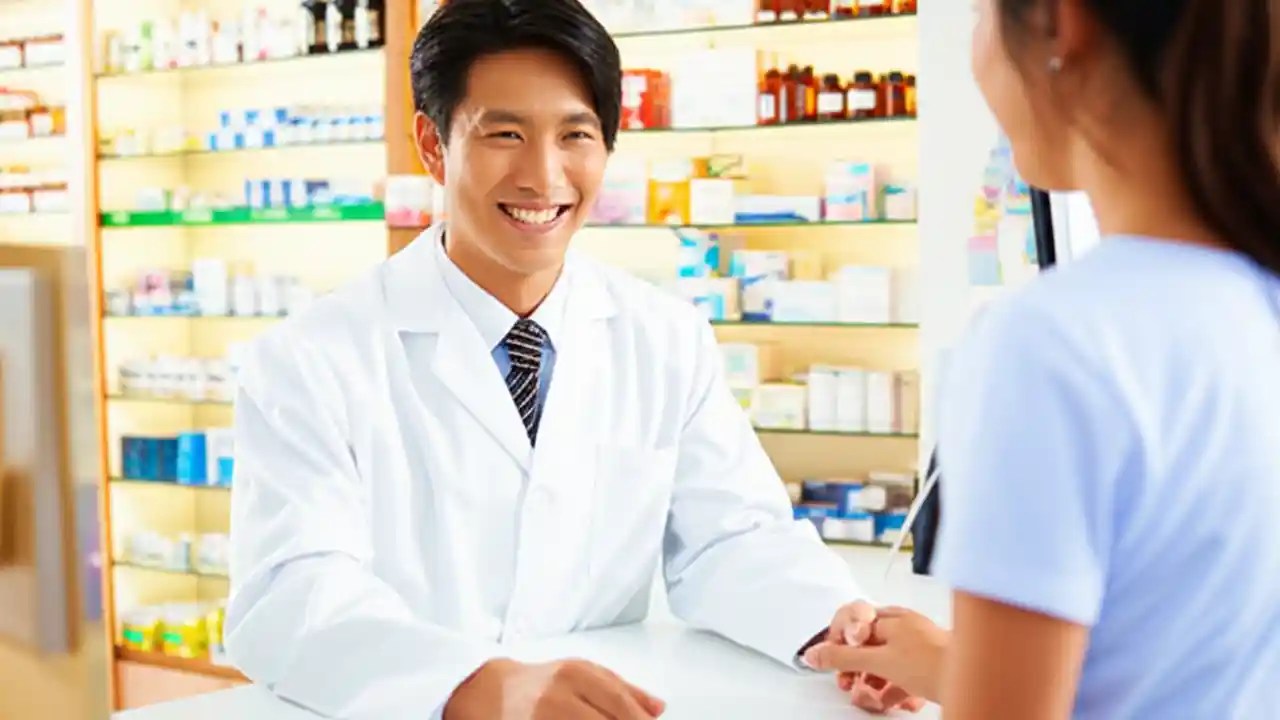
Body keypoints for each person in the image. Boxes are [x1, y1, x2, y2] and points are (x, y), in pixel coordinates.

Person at [223, 1, 911, 718]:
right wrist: (472, 683)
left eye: (575, 135)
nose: (543, 176)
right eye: (505, 134)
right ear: (432, 145)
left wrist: (838, 628)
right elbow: (292, 594)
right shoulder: (311, 357)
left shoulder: (663, 336)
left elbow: (729, 540)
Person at [803, 0, 1280, 717]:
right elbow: (1190, 653)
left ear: (1061, 24)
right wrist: (959, 664)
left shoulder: (1053, 343)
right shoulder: (1249, 301)